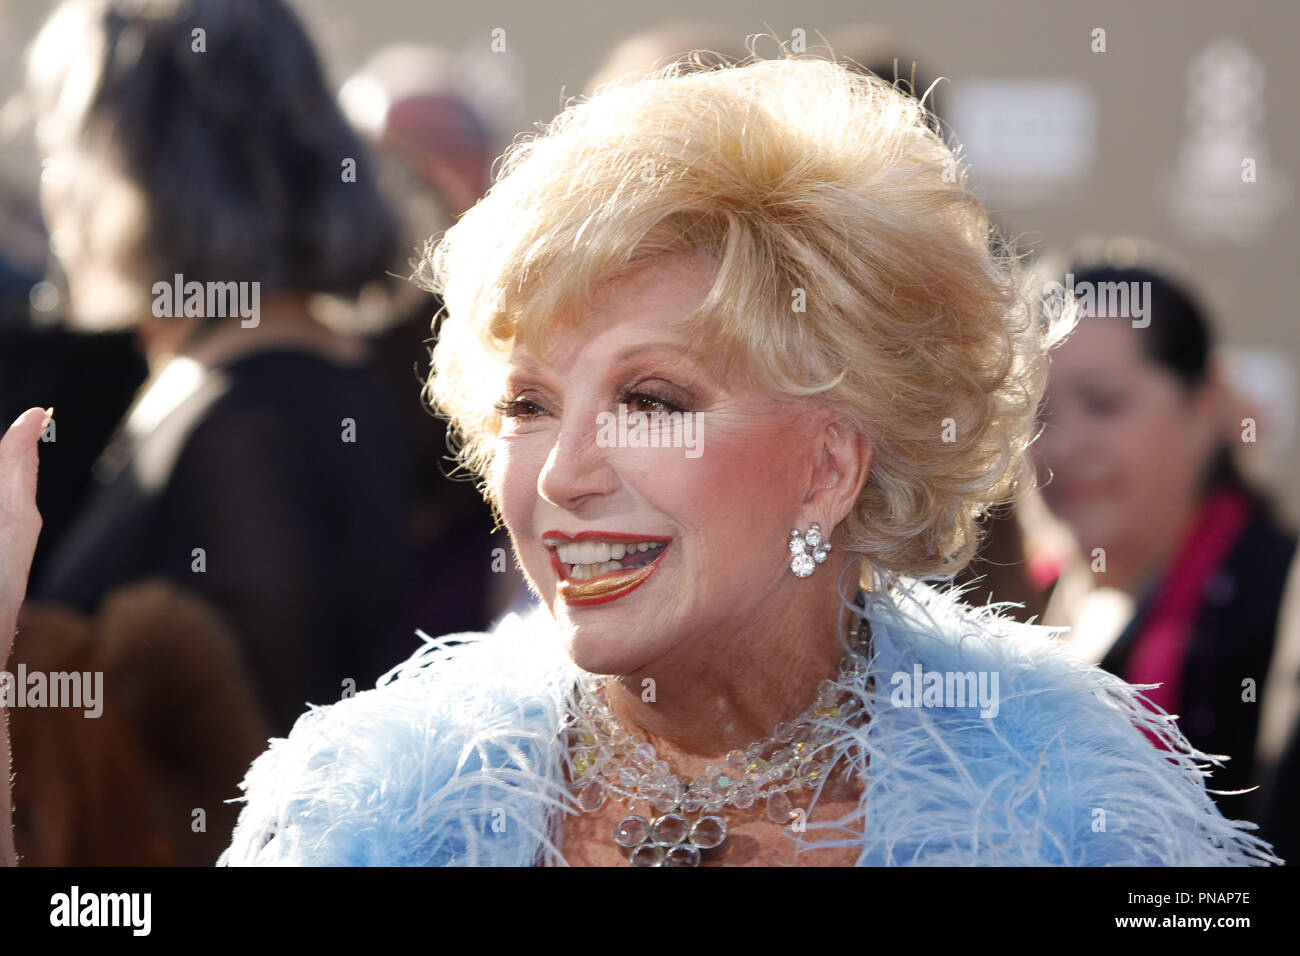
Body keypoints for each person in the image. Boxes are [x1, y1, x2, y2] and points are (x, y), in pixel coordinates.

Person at [6, 57, 1280, 867]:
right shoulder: (372, 807)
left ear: (829, 465)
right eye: (526, 402)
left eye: (650, 397)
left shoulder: (1074, 811)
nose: (560, 474)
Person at [21, 0, 414, 737]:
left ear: (138, 170)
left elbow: (246, 767)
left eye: (64, 148)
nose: (52, 190)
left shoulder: (249, 422)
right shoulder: (274, 372)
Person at [1031, 243, 1298, 856]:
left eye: (1103, 404)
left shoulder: (1278, 607)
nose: (1064, 445)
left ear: (1204, 406)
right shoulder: (1026, 608)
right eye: (1039, 412)